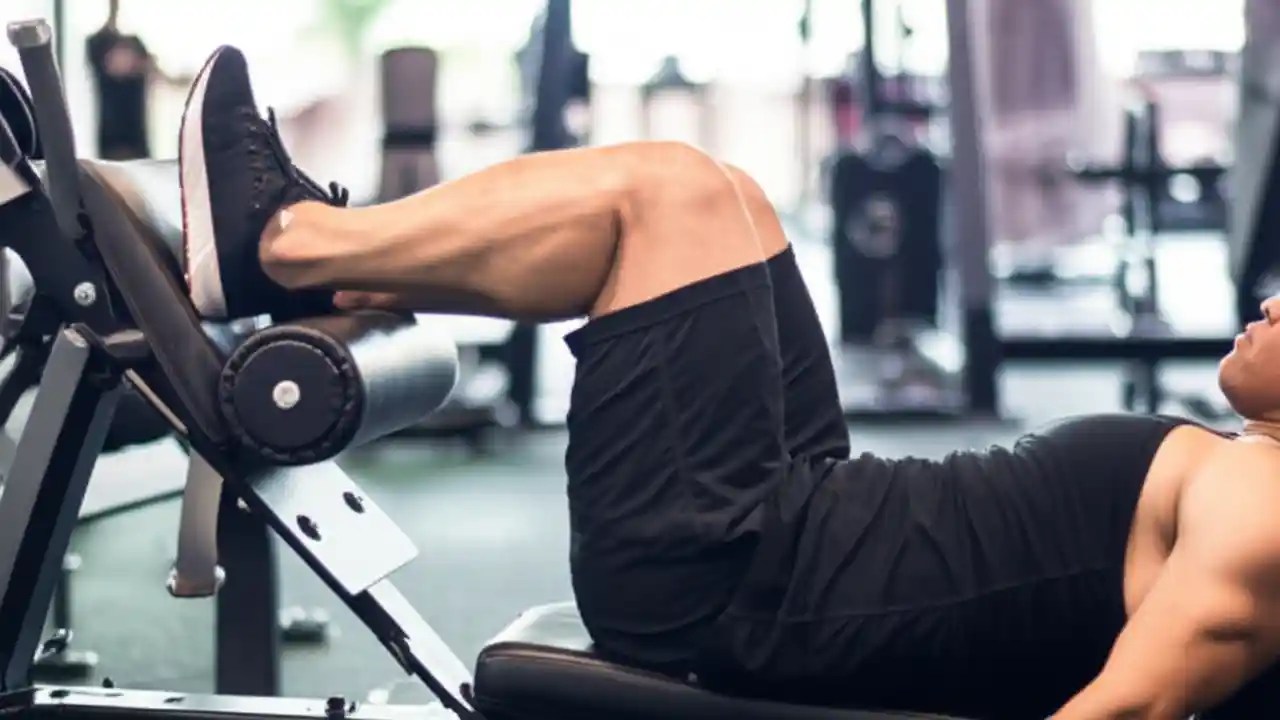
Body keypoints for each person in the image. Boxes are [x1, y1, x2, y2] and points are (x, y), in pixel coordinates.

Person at [178, 46, 1280, 720]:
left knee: (666, 195)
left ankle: (285, 242)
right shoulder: (1247, 473)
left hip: (737, 582)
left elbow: (1132, 708)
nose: (1270, 304)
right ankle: (344, 269)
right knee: (733, 199)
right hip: (799, 522)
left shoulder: (1271, 512)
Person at [86, 0, 189, 160]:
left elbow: (160, 76)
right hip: (112, 139)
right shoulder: (97, 43)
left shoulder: (135, 43)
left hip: (136, 139)